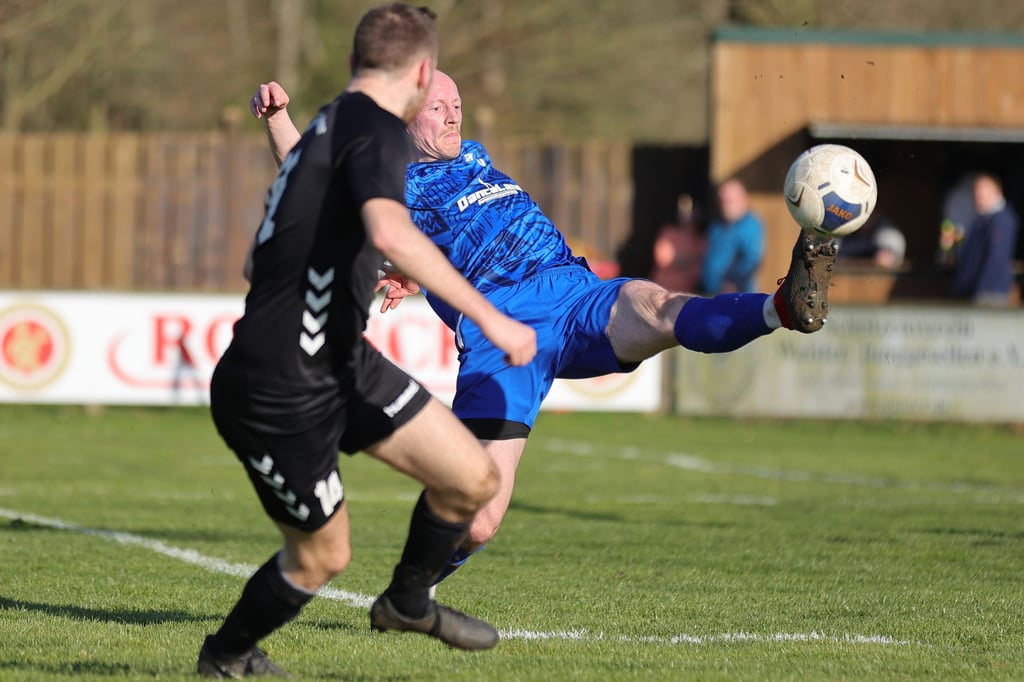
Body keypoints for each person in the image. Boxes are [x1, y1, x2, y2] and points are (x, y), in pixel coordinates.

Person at [248, 71, 838, 595]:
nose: (453, 115)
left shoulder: (473, 155)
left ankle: (782, 307)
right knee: (478, 516)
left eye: (457, 104)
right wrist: (279, 118)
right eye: (438, 108)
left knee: (660, 308)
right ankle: (409, 593)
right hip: (501, 330)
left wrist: (415, 273)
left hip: (576, 292)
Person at [200, 7, 538, 678]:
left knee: (472, 478)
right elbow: (388, 230)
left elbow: (279, 249)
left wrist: (357, 264)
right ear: (418, 71)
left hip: (340, 361)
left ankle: (408, 601)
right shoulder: (375, 134)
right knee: (323, 557)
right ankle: (226, 654)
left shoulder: (337, 123)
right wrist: (492, 319)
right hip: (277, 382)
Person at [951, 172, 1020, 306]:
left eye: (984, 189)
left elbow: (996, 258)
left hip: (989, 294)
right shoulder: (981, 220)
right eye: (976, 190)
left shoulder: (1001, 220)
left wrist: (983, 290)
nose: (978, 194)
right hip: (974, 291)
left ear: (997, 191)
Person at [699, 178, 765, 294]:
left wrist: (733, 283)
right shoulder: (716, 224)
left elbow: (752, 260)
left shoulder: (750, 225)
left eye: (729, 201)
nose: (725, 206)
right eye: (722, 201)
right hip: (709, 293)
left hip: (736, 296)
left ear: (744, 200)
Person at [650, 193, 705, 293]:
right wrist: (691, 260)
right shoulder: (668, 233)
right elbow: (664, 260)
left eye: (690, 209)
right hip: (664, 291)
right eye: (683, 208)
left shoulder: (700, 238)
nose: (686, 213)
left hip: (688, 294)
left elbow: (702, 267)